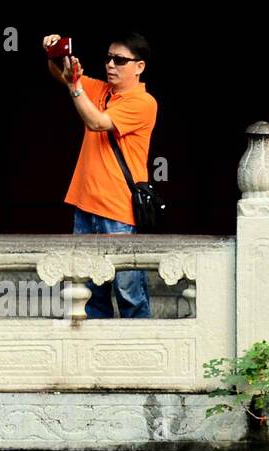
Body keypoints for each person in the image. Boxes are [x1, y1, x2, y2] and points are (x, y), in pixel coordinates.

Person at [44, 31, 157, 318]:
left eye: (120, 60)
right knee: (91, 290)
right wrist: (54, 54)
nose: (110, 65)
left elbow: (96, 122)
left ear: (139, 67)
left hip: (118, 209)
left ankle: (141, 353)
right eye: (108, 58)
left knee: (129, 290)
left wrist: (75, 87)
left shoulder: (144, 103)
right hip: (85, 203)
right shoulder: (103, 91)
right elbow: (60, 76)